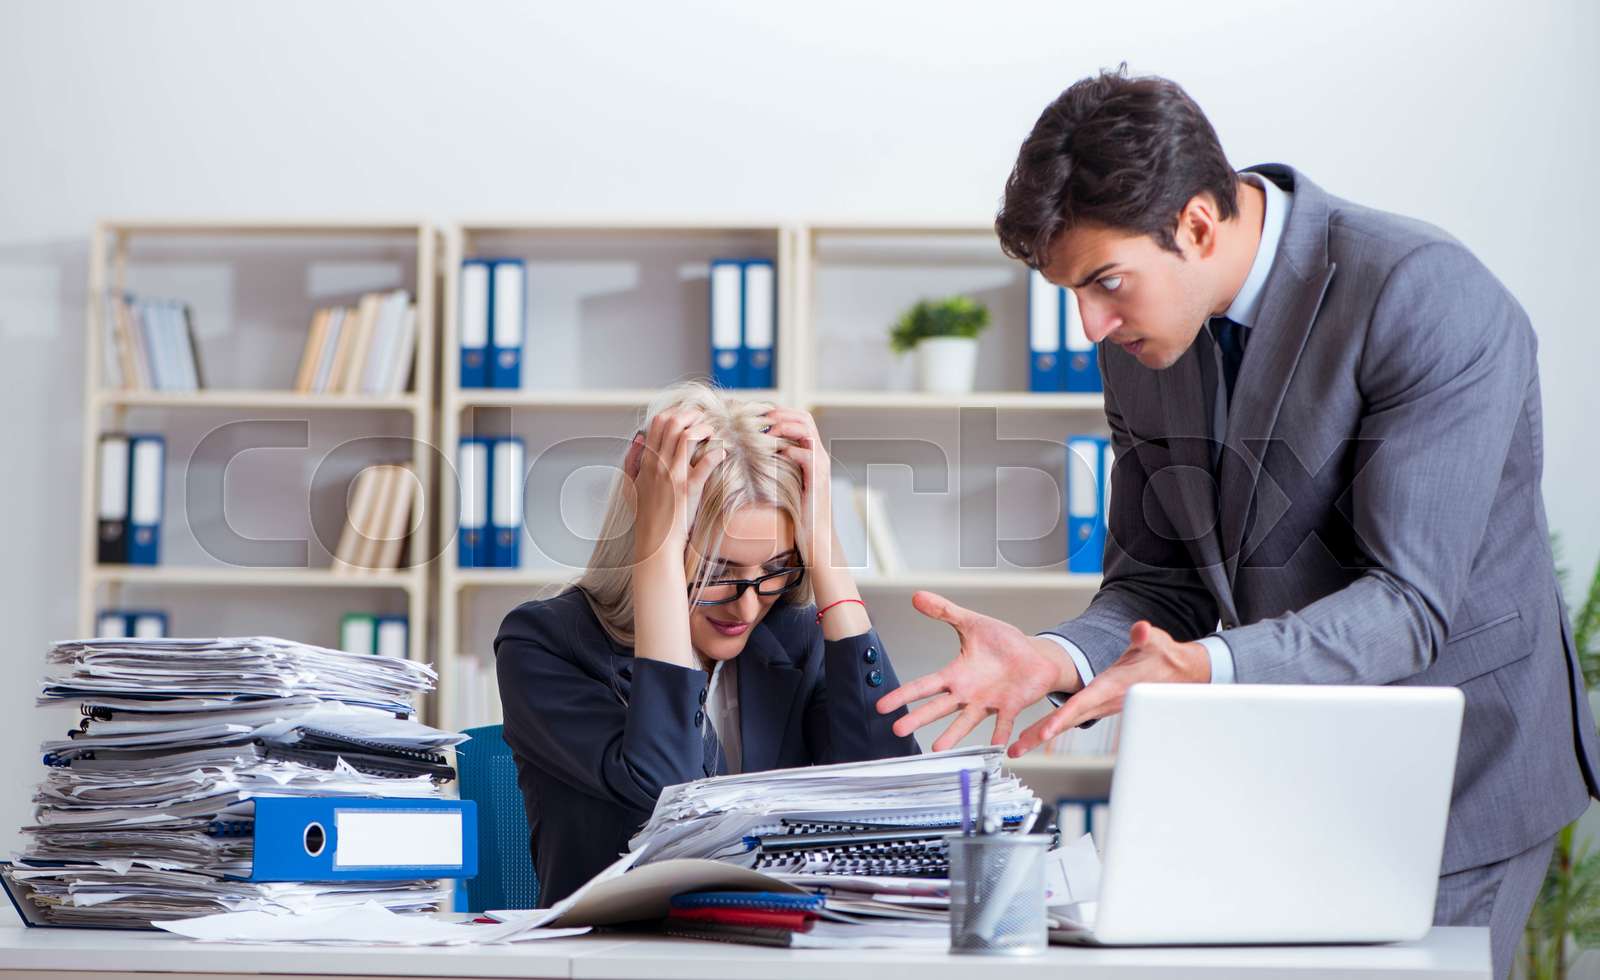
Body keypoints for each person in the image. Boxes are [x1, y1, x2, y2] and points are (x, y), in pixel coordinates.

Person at [875, 68, 1599, 979]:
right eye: (1072, 293)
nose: (1090, 325)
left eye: (1105, 282)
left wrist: (1205, 667)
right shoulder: (1140, 346)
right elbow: (1159, 582)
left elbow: (1408, 605)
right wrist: (1054, 658)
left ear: (1197, 225)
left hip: (1463, 770)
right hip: (1287, 767)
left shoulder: (1422, 292)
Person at [496, 382, 919, 906]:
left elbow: (893, 796)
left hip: (774, 939)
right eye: (718, 573)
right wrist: (657, 552)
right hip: (622, 945)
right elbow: (670, 802)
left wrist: (826, 550)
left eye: (776, 569)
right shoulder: (545, 643)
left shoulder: (794, 639)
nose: (748, 608)